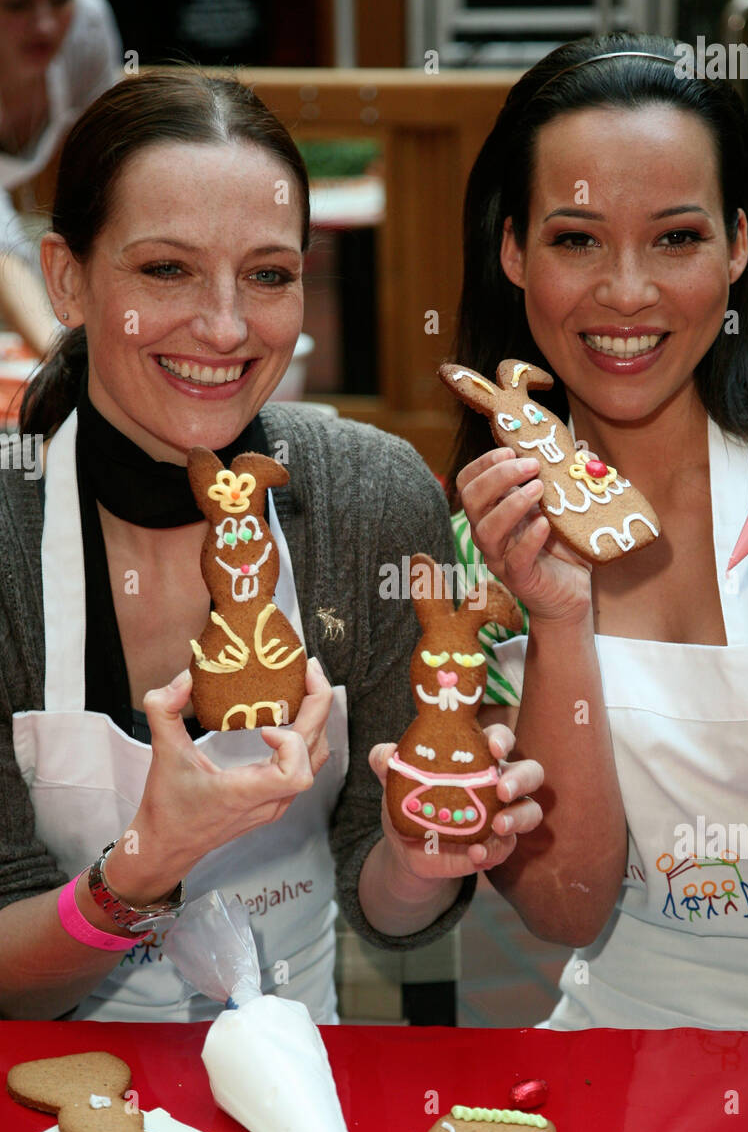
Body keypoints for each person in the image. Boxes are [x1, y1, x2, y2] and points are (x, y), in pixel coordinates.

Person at [0, 67, 543, 1023]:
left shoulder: (369, 500)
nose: (225, 325)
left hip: (298, 1086)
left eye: (269, 275)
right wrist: (143, 865)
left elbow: (386, 909)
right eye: (166, 269)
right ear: (67, 279)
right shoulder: (7, 530)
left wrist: (424, 859)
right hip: (46, 1109)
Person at [451, 32, 748, 1032]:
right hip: (631, 1044)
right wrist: (557, 622)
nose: (625, 293)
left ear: (736, 243)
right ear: (512, 251)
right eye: (575, 239)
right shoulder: (484, 544)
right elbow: (560, 910)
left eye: (674, 238)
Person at [0, 0, 121, 355]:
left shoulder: (87, 23)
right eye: (17, 4)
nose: (45, 25)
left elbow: (112, 160)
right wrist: (63, 359)